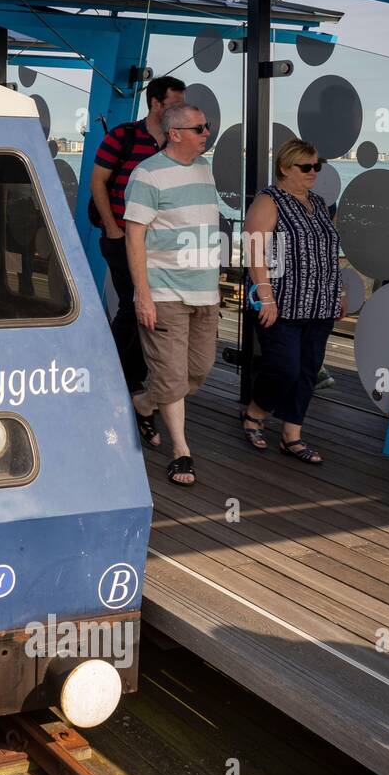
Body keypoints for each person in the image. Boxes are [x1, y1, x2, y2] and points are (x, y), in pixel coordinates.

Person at [123, 102, 222, 486]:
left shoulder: (204, 169)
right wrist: (143, 295)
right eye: (200, 128)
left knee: (199, 369)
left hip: (205, 292)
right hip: (164, 292)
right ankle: (182, 451)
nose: (207, 133)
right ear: (175, 133)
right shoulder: (147, 174)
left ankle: (143, 403)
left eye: (207, 127)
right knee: (171, 373)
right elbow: (135, 235)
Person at [239, 139, 345, 464]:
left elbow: (330, 253)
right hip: (281, 303)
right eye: (306, 167)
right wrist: (265, 297)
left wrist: (338, 292)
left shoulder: (318, 202)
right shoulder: (270, 201)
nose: (314, 172)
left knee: (308, 370)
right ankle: (256, 412)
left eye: (317, 166)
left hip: (319, 304)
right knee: (284, 367)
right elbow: (253, 248)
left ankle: (291, 435)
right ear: (285, 168)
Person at [90, 75, 187, 424]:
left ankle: (128, 378)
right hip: (122, 238)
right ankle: (111, 373)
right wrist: (113, 229)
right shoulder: (123, 137)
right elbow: (98, 181)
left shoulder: (175, 145)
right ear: (157, 103)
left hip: (159, 245)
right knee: (134, 306)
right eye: (175, 104)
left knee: (150, 310)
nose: (180, 111)